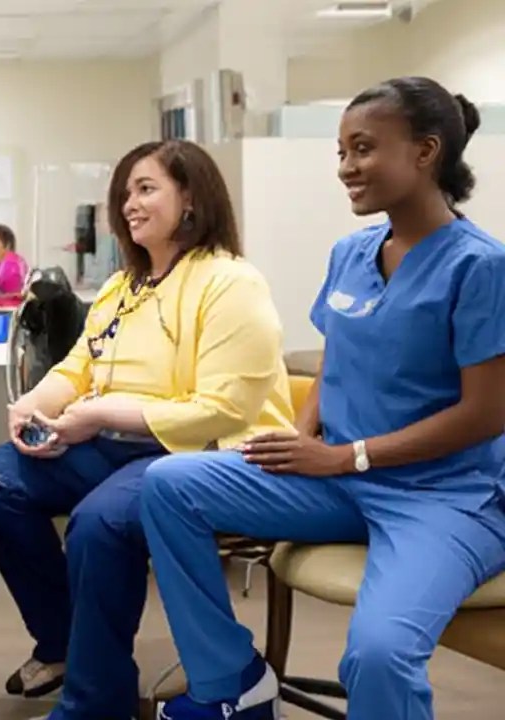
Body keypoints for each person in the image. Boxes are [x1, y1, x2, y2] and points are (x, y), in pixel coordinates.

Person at [143, 78, 505, 720]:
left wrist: (345, 457)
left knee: (378, 654)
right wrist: (307, 438)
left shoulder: (479, 266)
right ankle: (231, 681)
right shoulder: (351, 253)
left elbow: (486, 414)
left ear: (425, 152)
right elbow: (335, 359)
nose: (346, 168)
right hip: (338, 478)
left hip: (443, 496)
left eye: (362, 149)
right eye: (340, 151)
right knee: (169, 484)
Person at [0, 140, 296, 719]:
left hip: (199, 453)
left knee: (100, 523)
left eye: (146, 189)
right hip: (115, 443)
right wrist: (34, 404)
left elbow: (221, 410)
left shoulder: (229, 282)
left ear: (191, 197)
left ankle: (95, 702)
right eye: (125, 193)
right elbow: (76, 367)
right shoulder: (124, 287)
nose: (129, 204)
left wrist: (94, 415)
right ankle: (69, 645)